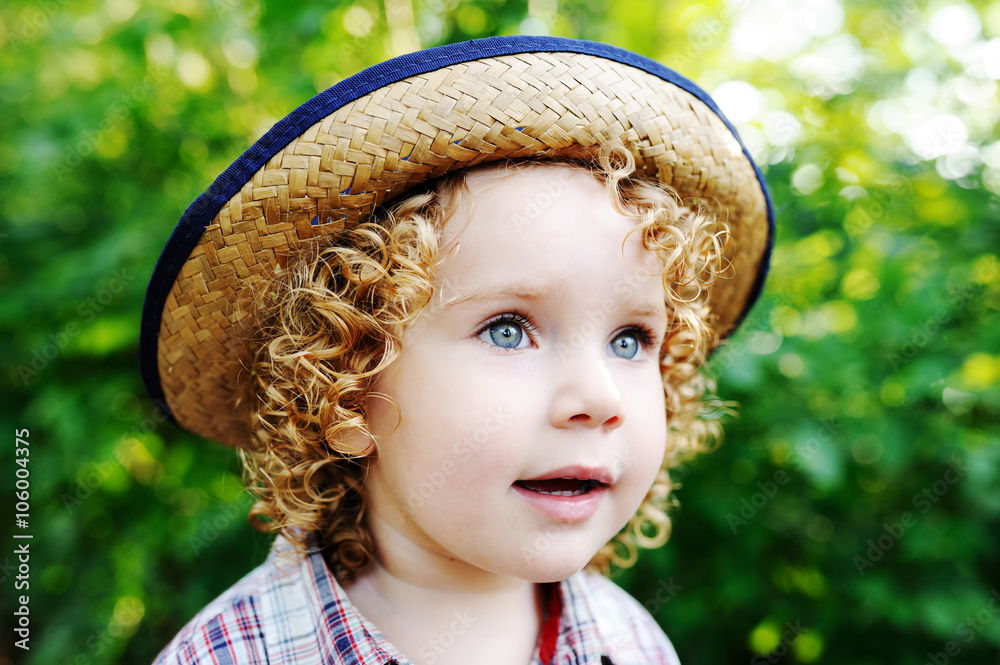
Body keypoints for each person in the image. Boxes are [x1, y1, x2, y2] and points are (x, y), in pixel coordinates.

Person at [140, 35, 773, 665]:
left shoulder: (631, 646)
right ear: (347, 392)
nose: (600, 397)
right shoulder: (231, 654)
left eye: (630, 340)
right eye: (508, 328)